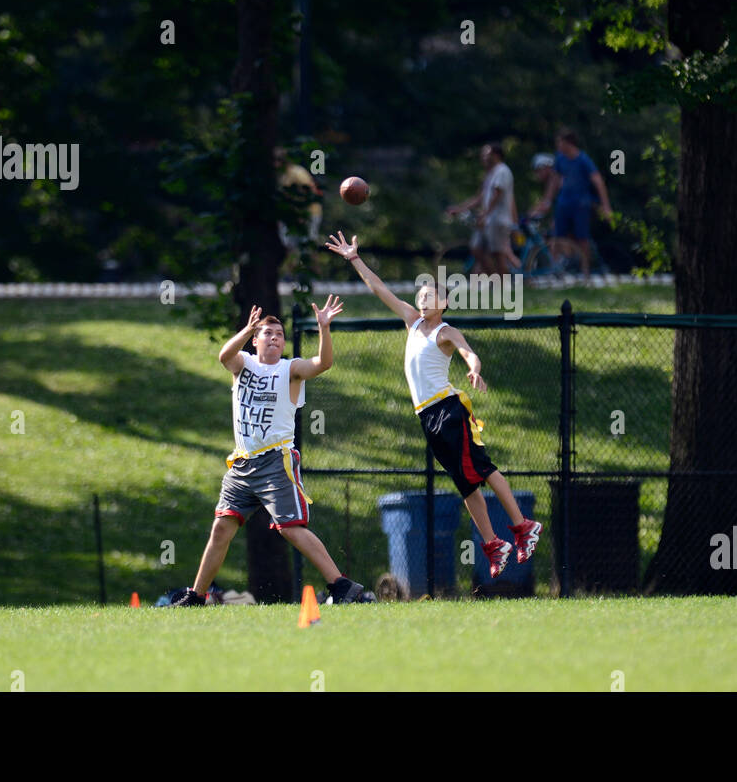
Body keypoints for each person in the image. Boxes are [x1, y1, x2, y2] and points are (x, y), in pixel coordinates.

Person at [324, 230, 543, 577]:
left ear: (444, 304)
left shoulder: (445, 332)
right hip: (427, 417)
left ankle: (522, 526)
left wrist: (473, 370)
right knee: (466, 482)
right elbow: (380, 289)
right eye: (421, 294)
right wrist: (354, 259)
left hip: (450, 409)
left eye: (431, 295)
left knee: (483, 468)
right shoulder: (412, 323)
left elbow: (469, 353)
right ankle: (492, 544)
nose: (424, 299)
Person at [170, 297, 373, 606]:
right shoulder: (244, 364)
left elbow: (323, 364)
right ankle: (196, 596)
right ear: (255, 340)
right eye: (268, 333)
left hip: (276, 461)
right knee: (221, 527)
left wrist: (324, 329)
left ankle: (342, 586)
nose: (275, 338)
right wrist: (246, 329)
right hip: (241, 464)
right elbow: (224, 355)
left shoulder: (290, 369)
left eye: (279, 334)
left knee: (290, 529)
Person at [528, 129, 613, 279]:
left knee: (582, 238)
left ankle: (585, 271)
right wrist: (547, 200)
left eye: (559, 142)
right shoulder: (560, 159)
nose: (557, 145)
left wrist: (606, 206)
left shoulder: (583, 160)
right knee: (557, 236)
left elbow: (598, 181)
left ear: (568, 143)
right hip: (563, 203)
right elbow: (554, 180)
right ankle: (554, 270)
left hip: (581, 204)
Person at [447, 144, 517, 278]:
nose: (483, 157)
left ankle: (504, 286)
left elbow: (497, 195)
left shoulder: (502, 171)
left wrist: (485, 214)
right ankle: (495, 280)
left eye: (487, 154)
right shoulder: (490, 174)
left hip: (498, 220)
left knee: (498, 254)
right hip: (488, 220)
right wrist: (460, 208)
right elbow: (480, 197)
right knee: (476, 249)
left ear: (496, 155)